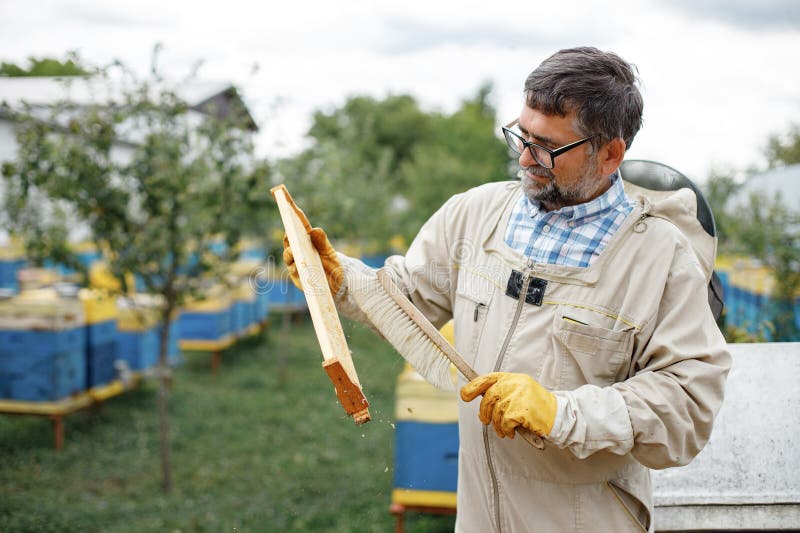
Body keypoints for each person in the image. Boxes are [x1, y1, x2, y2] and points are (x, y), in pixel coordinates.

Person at [284, 46, 730, 532]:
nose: (524, 156)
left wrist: (560, 412)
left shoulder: (661, 259)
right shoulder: (474, 214)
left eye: (546, 147)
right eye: (522, 135)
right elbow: (407, 298)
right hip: (478, 516)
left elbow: (687, 405)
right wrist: (340, 278)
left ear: (609, 154)